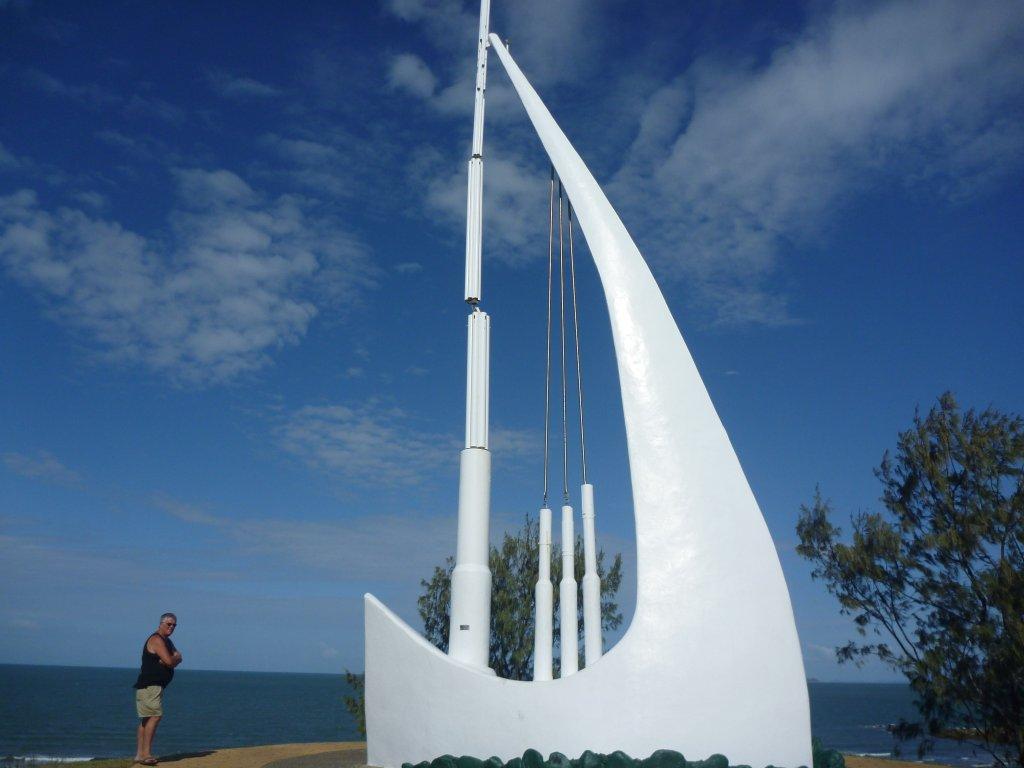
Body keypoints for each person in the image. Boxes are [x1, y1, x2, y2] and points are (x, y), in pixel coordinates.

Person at [133, 613, 182, 766]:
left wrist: (172, 659)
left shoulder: (167, 641)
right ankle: (146, 754)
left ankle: (140, 755)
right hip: (150, 686)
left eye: (174, 625)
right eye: (169, 624)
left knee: (147, 719)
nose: (171, 627)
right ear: (161, 623)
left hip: (154, 686)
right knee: (154, 716)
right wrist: (171, 659)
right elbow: (170, 660)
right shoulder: (156, 639)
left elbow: (177, 657)